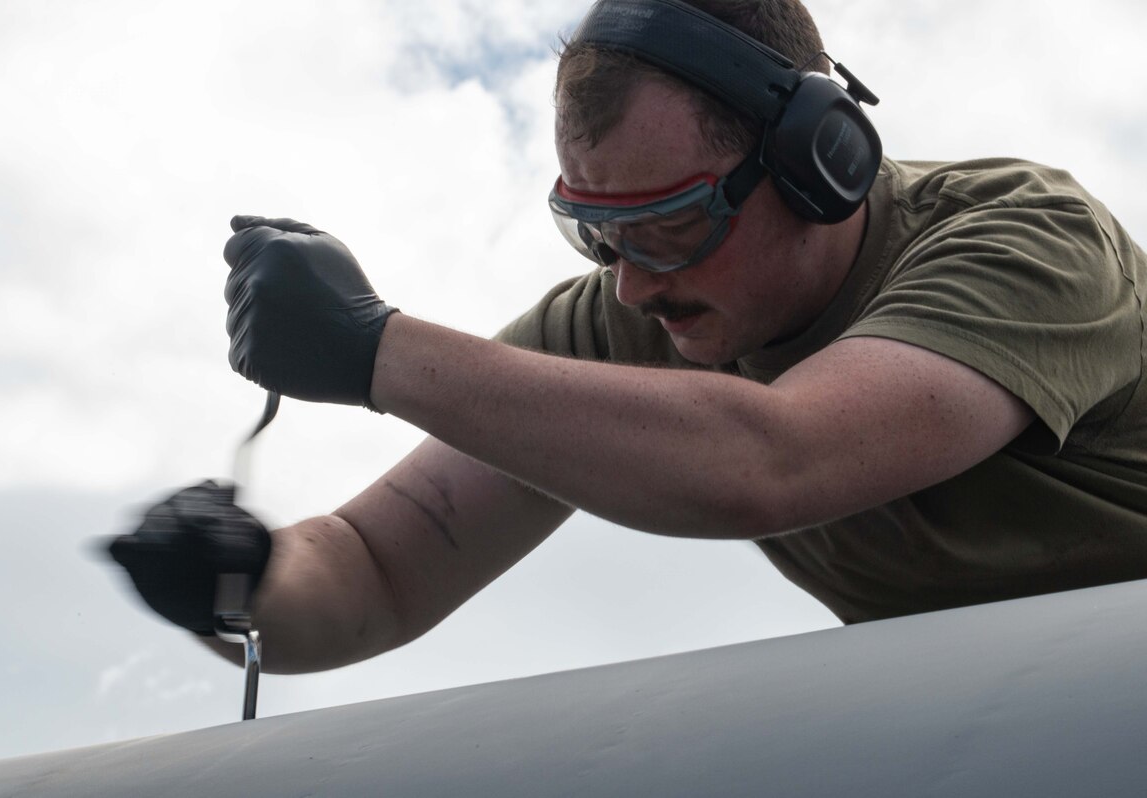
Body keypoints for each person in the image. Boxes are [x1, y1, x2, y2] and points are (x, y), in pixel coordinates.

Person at [110, 0, 1147, 674]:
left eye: (672, 225)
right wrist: (236, 581)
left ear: (818, 162)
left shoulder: (1030, 237)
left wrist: (373, 349)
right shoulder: (619, 320)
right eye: (597, 232)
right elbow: (376, 570)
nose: (636, 284)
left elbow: (776, 456)